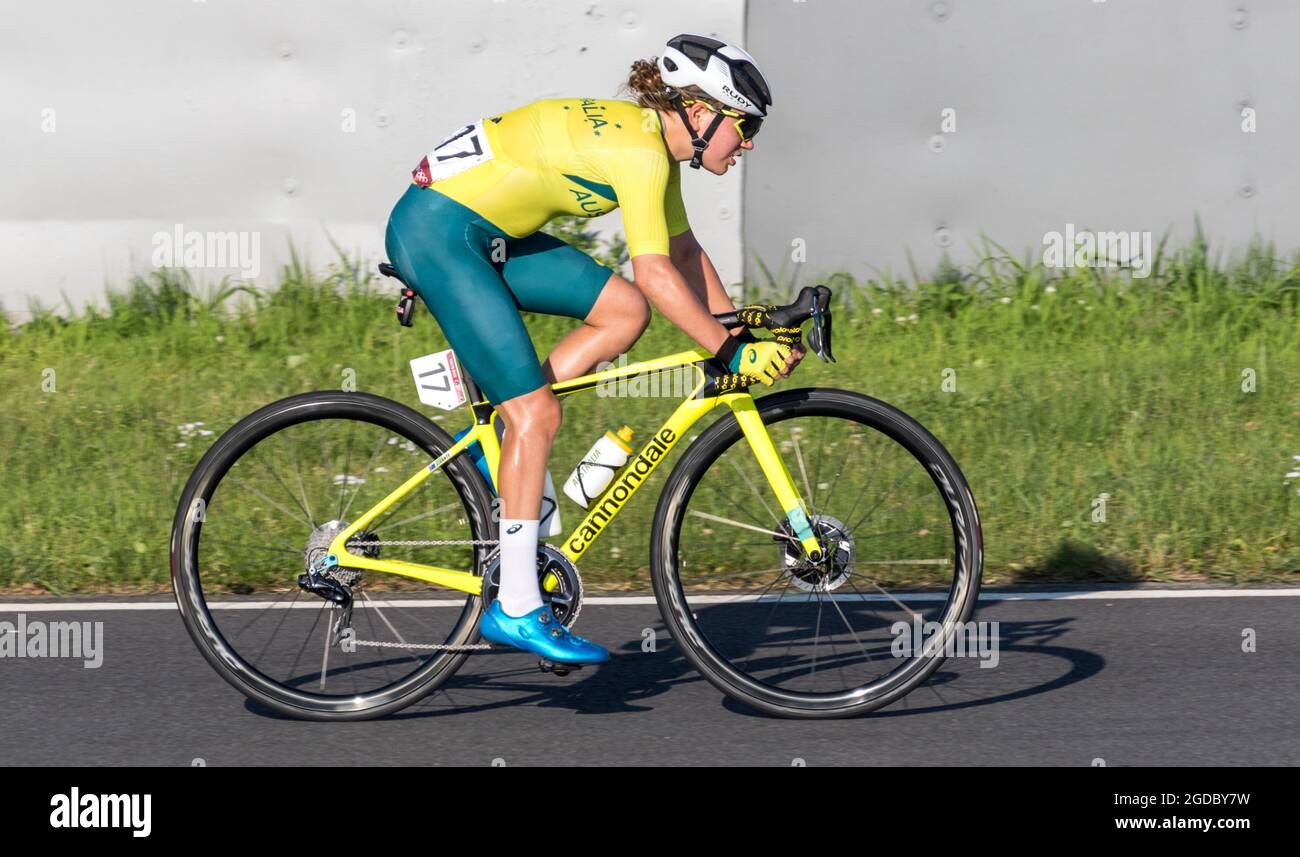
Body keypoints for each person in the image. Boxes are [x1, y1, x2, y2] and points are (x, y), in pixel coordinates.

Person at [383, 34, 803, 666]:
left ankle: (513, 415)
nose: (747, 144)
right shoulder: (641, 153)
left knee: (623, 311)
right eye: (743, 127)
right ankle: (517, 606)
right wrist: (729, 352)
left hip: (479, 231)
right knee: (538, 415)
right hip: (439, 233)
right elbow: (659, 273)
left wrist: (738, 336)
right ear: (699, 111)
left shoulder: (651, 144)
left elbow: (683, 256)